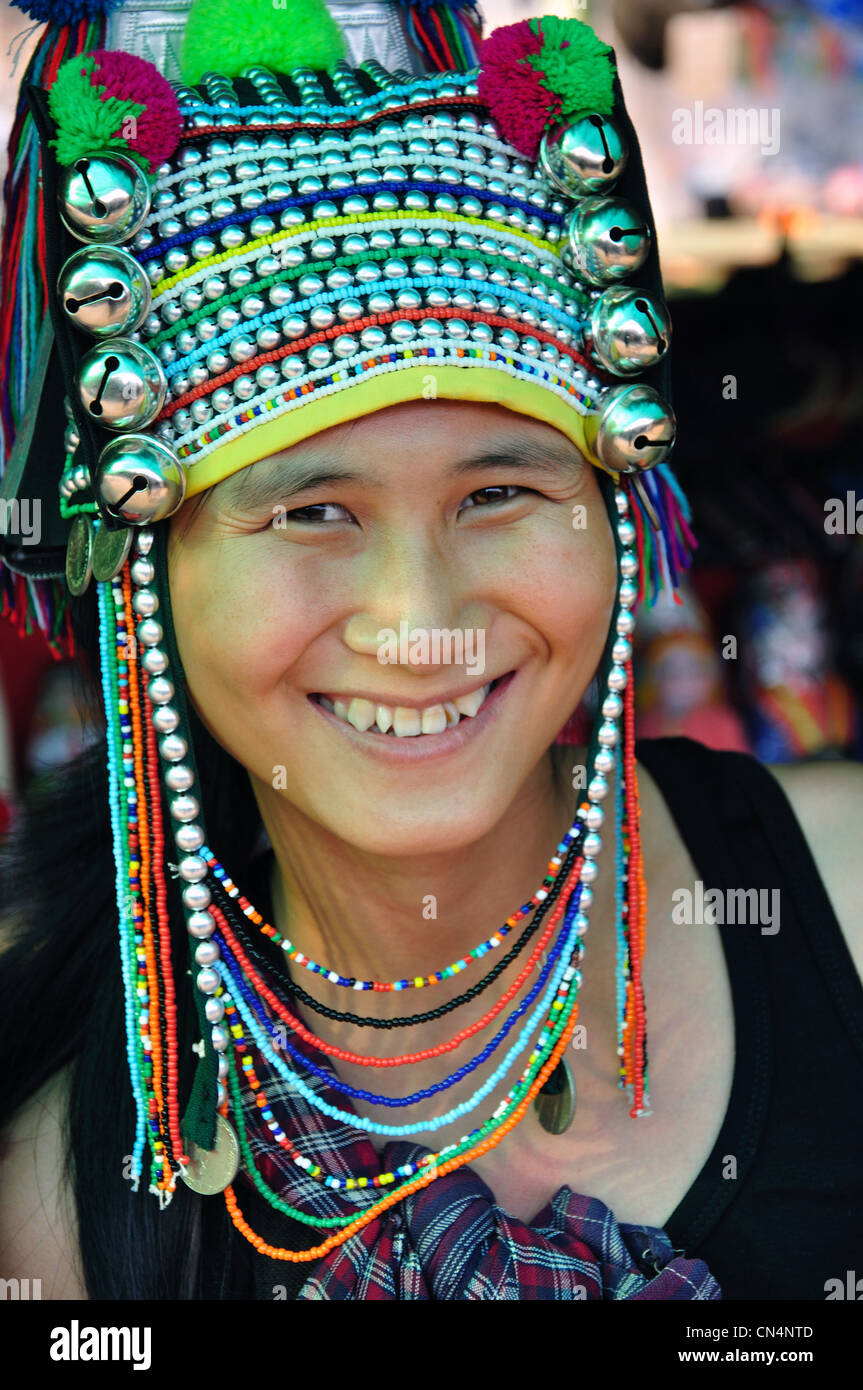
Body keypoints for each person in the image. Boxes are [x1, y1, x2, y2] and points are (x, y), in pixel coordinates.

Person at [0, 0, 861, 1302]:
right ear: (151, 569)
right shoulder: (58, 1224)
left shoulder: (793, 871)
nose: (419, 618)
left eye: (500, 493)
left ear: (615, 507)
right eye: (311, 512)